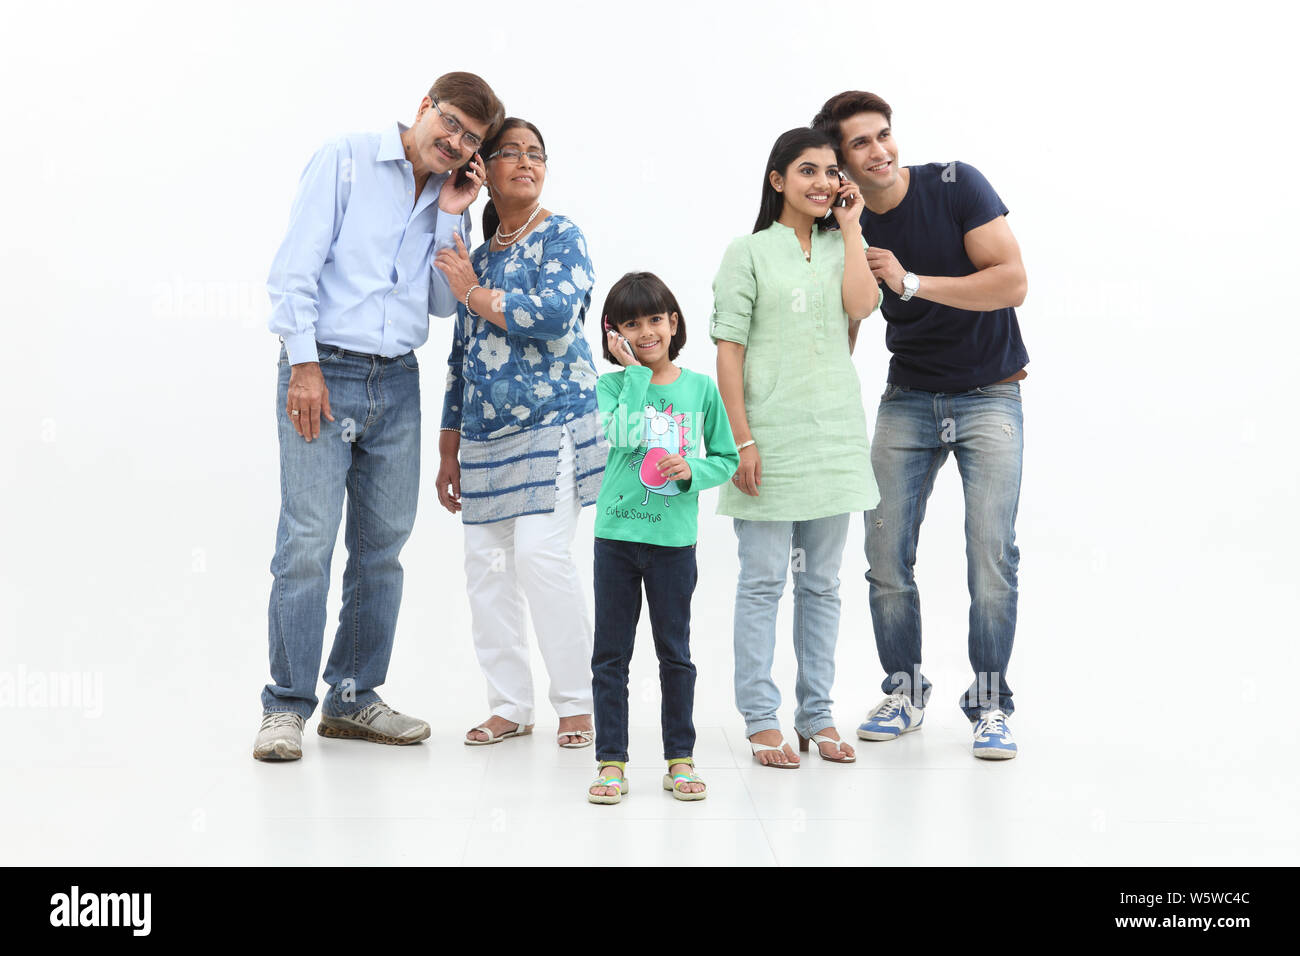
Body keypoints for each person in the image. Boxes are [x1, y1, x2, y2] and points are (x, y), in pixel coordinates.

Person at [254, 73, 504, 761]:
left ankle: (353, 696)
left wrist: (454, 212)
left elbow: (442, 305)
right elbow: (293, 271)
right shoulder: (346, 159)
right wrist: (302, 364)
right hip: (323, 371)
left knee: (382, 549)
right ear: (424, 107)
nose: (454, 143)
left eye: (471, 141)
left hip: (397, 381)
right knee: (306, 542)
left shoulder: (446, 193)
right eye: (449, 124)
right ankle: (285, 707)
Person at [812, 91, 1029, 760]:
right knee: (883, 552)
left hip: (990, 393)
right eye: (861, 144)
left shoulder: (956, 184)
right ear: (839, 162)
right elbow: (845, 324)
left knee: (990, 553)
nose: (880, 151)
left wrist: (911, 284)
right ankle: (905, 691)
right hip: (907, 399)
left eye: (884, 136)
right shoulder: (842, 224)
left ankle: (990, 705)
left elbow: (1012, 281)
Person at [711, 127, 883, 769]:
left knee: (823, 587)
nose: (821, 182)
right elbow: (728, 353)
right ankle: (761, 718)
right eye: (805, 170)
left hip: (833, 440)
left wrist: (855, 227)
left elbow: (862, 306)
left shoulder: (846, 247)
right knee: (761, 585)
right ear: (778, 180)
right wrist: (742, 439)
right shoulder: (748, 252)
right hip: (768, 440)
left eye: (830, 171)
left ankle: (817, 715)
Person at [434, 118, 604, 749]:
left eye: (537, 154)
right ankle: (509, 704)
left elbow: (556, 316)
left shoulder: (562, 237)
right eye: (513, 153)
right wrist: (449, 448)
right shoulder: (476, 260)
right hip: (483, 438)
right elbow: (461, 357)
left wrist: (473, 294)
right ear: (484, 169)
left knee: (540, 555)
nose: (528, 163)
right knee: (487, 569)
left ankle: (578, 703)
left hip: (554, 422)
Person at [586, 273, 739, 805]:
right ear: (616, 333)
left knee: (674, 653)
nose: (647, 331)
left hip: (675, 542)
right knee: (611, 655)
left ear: (674, 323)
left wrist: (690, 469)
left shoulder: (700, 388)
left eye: (656, 319)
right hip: (616, 539)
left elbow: (726, 458)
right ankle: (611, 762)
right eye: (632, 323)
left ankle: (681, 758)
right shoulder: (611, 386)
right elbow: (624, 436)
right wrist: (631, 372)